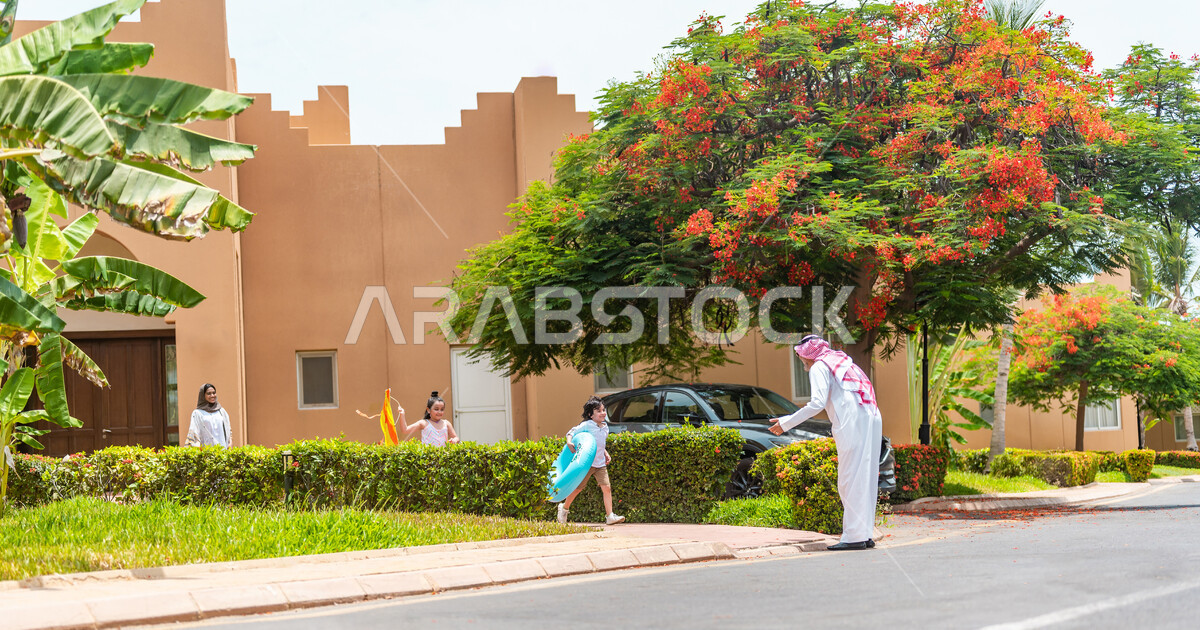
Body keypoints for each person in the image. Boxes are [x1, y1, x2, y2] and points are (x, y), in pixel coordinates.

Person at [769, 335, 883, 551]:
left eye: (801, 357)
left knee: (849, 480)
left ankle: (853, 537)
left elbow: (816, 403)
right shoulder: (843, 361)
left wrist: (786, 423)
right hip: (871, 417)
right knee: (865, 477)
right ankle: (864, 533)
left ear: (806, 356)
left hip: (852, 422)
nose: (801, 361)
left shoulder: (819, 367)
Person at [557, 396, 625, 526]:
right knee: (578, 489)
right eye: (598, 411)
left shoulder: (605, 427)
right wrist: (569, 442)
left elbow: (600, 444)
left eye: (603, 410)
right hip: (586, 464)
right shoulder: (587, 425)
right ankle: (564, 508)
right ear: (590, 414)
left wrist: (605, 453)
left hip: (600, 464)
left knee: (607, 488)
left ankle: (610, 516)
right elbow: (571, 432)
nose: (603, 413)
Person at [357, 391, 459, 446]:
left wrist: (454, 440)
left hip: (444, 459)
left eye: (442, 409)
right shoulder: (423, 423)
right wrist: (402, 415)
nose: (439, 412)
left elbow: (456, 437)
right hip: (428, 460)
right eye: (436, 409)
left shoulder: (446, 423)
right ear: (428, 410)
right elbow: (405, 430)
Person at [186, 383, 232, 448]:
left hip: (223, 452)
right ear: (202, 395)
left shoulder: (221, 411)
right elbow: (194, 433)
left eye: (214, 393)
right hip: (207, 453)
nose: (212, 395)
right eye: (209, 393)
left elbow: (228, 430)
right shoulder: (197, 413)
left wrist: (230, 443)